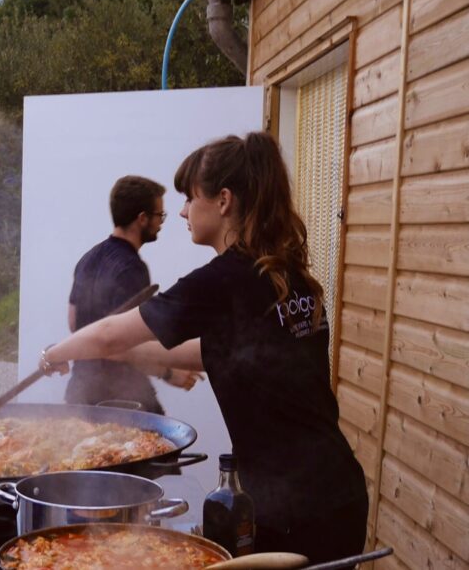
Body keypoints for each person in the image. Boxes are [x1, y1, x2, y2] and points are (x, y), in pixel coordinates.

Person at [41, 132, 368, 563]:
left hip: (294, 510)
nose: (181, 211)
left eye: (189, 198)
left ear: (223, 200)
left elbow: (109, 332)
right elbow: (219, 351)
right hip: (337, 491)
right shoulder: (287, 273)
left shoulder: (223, 279)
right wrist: (129, 355)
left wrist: (56, 353)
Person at [65, 175, 203, 411]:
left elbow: (73, 322)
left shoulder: (88, 259)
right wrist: (168, 373)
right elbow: (121, 343)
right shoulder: (131, 269)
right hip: (119, 398)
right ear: (142, 218)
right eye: (160, 215)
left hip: (79, 393)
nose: (161, 222)